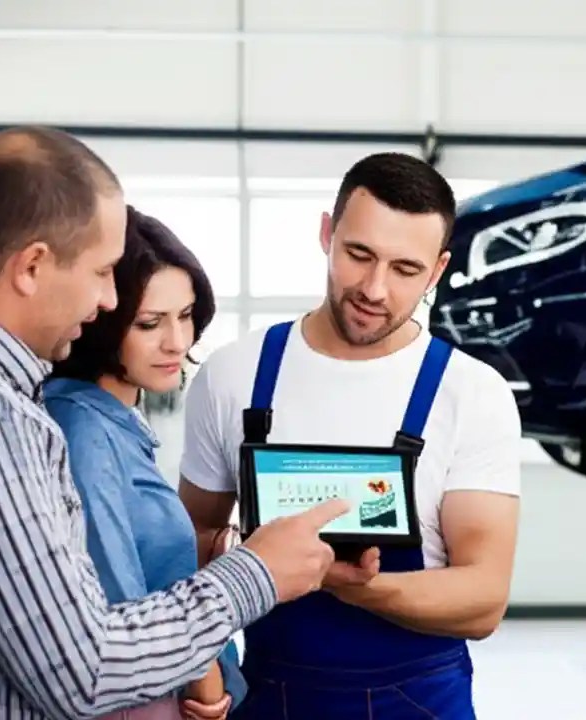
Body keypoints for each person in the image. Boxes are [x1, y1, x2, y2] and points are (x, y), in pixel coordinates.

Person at [0, 125, 346, 720]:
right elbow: (83, 671)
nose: (109, 301)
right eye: (100, 271)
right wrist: (256, 574)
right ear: (32, 266)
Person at [177, 152, 523, 719]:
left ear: (436, 271)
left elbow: (482, 600)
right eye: (358, 254)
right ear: (326, 233)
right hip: (270, 694)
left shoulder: (472, 394)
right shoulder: (234, 374)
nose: (374, 289)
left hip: (419, 701)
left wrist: (338, 582)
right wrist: (209, 676)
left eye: (405, 270)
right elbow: (190, 542)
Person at [42, 206, 246, 720]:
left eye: (186, 314)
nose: (177, 341)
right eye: (150, 323)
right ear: (101, 319)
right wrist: (209, 691)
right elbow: (121, 615)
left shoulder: (119, 421)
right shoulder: (83, 430)